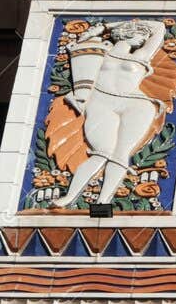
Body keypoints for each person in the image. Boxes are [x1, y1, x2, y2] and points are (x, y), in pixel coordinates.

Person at [57, 19, 168, 209]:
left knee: (121, 153)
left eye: (144, 35)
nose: (143, 38)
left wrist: (107, 26)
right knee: (101, 152)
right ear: (125, 33)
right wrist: (102, 29)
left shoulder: (142, 54)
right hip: (101, 101)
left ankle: (103, 201)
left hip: (135, 104)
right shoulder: (100, 50)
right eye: (139, 33)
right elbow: (79, 63)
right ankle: (69, 197)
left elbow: (160, 27)